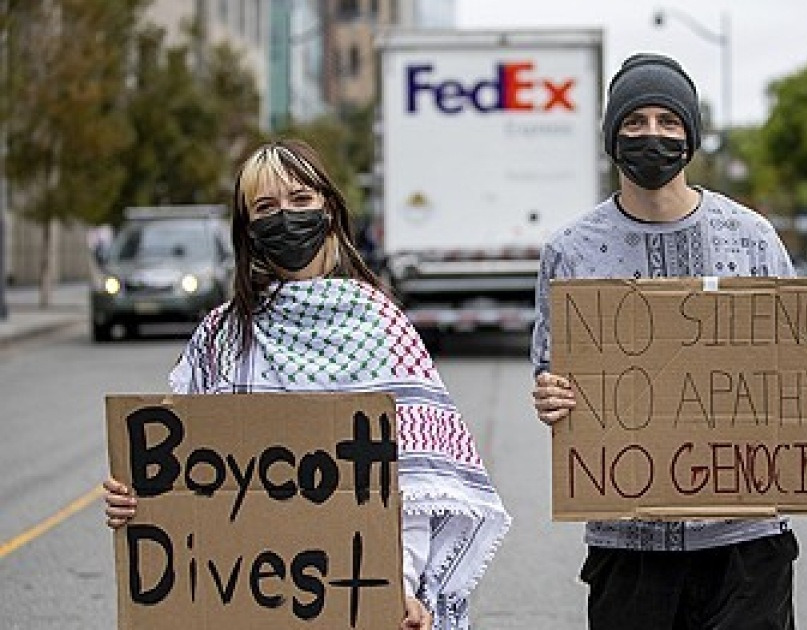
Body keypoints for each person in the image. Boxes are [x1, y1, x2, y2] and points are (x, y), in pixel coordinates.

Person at [528, 53, 807, 630]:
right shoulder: (571, 250)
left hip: (747, 546)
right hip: (629, 544)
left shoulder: (751, 236)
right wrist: (551, 398)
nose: (652, 136)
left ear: (690, 136)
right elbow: (550, 372)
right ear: (612, 136)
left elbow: (804, 364)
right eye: (635, 122)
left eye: (668, 122)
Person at [102, 139, 510, 630]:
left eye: (299, 200)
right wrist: (136, 496)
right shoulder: (220, 337)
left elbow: (412, 488)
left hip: (352, 602)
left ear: (329, 210)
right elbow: (179, 469)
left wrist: (394, 588)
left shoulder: (384, 327)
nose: (285, 218)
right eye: (266, 207)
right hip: (244, 599)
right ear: (248, 230)